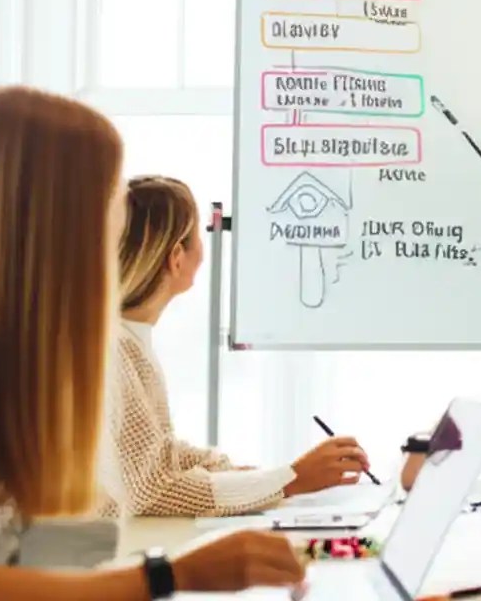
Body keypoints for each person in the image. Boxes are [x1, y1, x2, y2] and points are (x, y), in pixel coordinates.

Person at [0, 86, 304, 598]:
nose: (121, 226)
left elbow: (24, 553)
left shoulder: (17, 367)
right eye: (111, 200)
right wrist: (169, 575)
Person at [98, 175, 371, 518]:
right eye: (199, 235)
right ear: (176, 257)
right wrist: (290, 479)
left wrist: (250, 477)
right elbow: (151, 490)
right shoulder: (116, 350)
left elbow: (160, 454)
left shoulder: (127, 340)